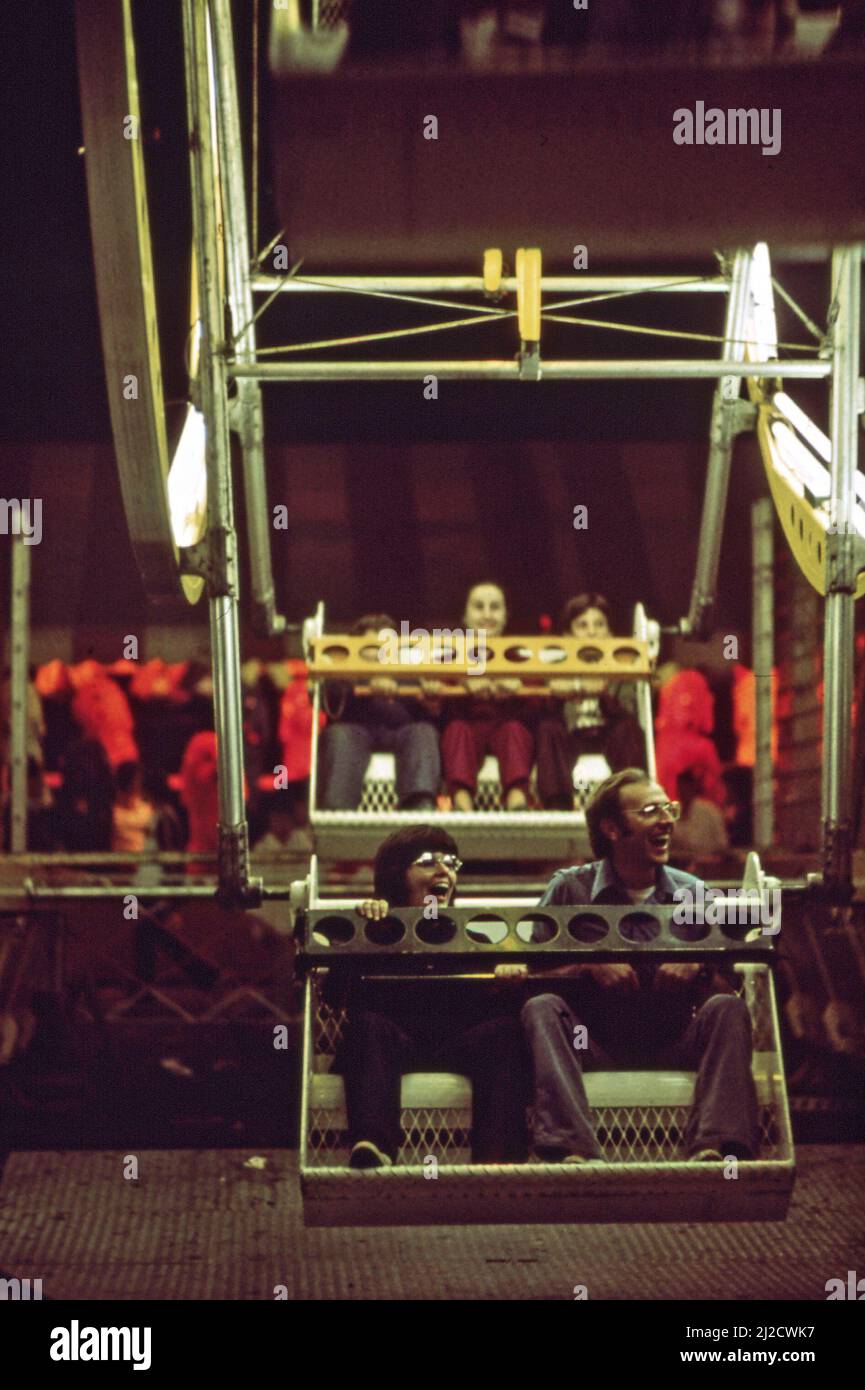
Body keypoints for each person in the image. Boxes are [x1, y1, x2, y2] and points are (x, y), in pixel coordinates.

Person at [516, 768, 760, 1163]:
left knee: (727, 1010)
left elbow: (726, 986)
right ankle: (572, 1150)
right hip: (589, 1044)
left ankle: (716, 1148)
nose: (666, 820)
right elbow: (531, 979)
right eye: (650, 811)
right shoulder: (570, 890)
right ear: (612, 829)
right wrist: (587, 968)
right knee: (542, 1009)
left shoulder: (693, 893)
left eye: (668, 809)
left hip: (675, 1042)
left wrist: (697, 964)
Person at [327, 825, 530, 1168]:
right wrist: (365, 932)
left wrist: (511, 975)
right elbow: (335, 993)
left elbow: (505, 1008)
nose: (443, 870)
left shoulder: (473, 937)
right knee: (369, 1026)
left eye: (450, 863)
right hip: (392, 1045)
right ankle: (374, 1147)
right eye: (426, 862)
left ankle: (498, 1160)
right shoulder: (375, 930)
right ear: (395, 876)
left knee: (506, 1033)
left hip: (456, 1046)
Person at [318, 615, 441, 811]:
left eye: (387, 647)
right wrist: (366, 682)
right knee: (340, 735)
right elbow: (331, 701)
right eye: (373, 648)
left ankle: (419, 806)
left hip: (401, 733)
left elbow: (427, 716)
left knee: (424, 732)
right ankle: (337, 810)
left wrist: (432, 702)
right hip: (355, 734)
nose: (380, 654)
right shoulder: (342, 672)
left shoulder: (410, 673)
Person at [535, 593, 645, 809]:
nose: (592, 631)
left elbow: (628, 708)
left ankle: (631, 796)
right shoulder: (555, 665)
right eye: (582, 625)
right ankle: (557, 804)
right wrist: (559, 693)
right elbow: (543, 708)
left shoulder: (624, 666)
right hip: (571, 733)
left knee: (627, 729)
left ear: (610, 633)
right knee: (548, 728)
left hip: (607, 733)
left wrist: (604, 693)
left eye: (599, 624)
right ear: (568, 635)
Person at [440, 582, 534, 810]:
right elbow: (436, 697)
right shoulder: (450, 654)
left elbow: (539, 701)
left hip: (505, 726)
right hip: (469, 727)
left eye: (495, 607)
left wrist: (519, 686)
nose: (487, 614)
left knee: (515, 730)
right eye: (479, 607)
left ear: (505, 616)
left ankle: (517, 802)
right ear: (465, 616)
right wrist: (462, 680)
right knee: (456, 730)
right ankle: (462, 804)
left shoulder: (522, 655)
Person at [671, 767, 730, 860]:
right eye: (680, 787)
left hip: (707, 864)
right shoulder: (673, 811)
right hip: (679, 863)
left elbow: (722, 844)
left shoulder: (710, 811)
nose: (682, 791)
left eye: (686, 787)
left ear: (693, 787)